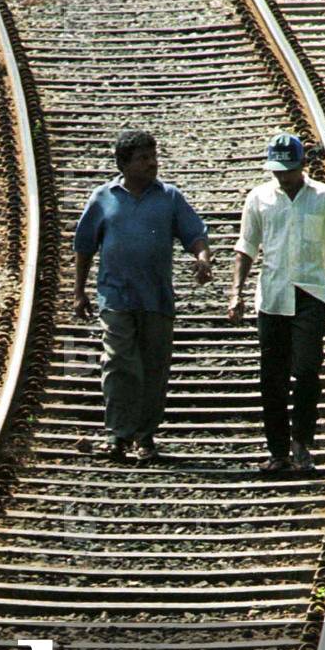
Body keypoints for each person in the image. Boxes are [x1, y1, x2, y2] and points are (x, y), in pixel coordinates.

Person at [74, 129, 212, 463]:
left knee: (154, 367)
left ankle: (146, 436)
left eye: (153, 156)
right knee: (121, 363)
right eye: (143, 158)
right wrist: (78, 292)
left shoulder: (169, 197)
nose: (152, 163)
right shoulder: (103, 198)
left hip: (157, 298)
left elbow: (195, 234)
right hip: (115, 297)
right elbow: (84, 246)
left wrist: (202, 257)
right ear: (122, 163)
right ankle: (119, 435)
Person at [228, 133, 325, 474]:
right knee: (272, 377)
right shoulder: (259, 198)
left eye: (289, 170)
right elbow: (246, 247)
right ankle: (279, 452)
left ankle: (302, 443)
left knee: (308, 371)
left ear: (303, 165)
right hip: (272, 296)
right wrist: (236, 292)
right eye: (277, 170)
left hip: (311, 294)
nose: (283, 176)